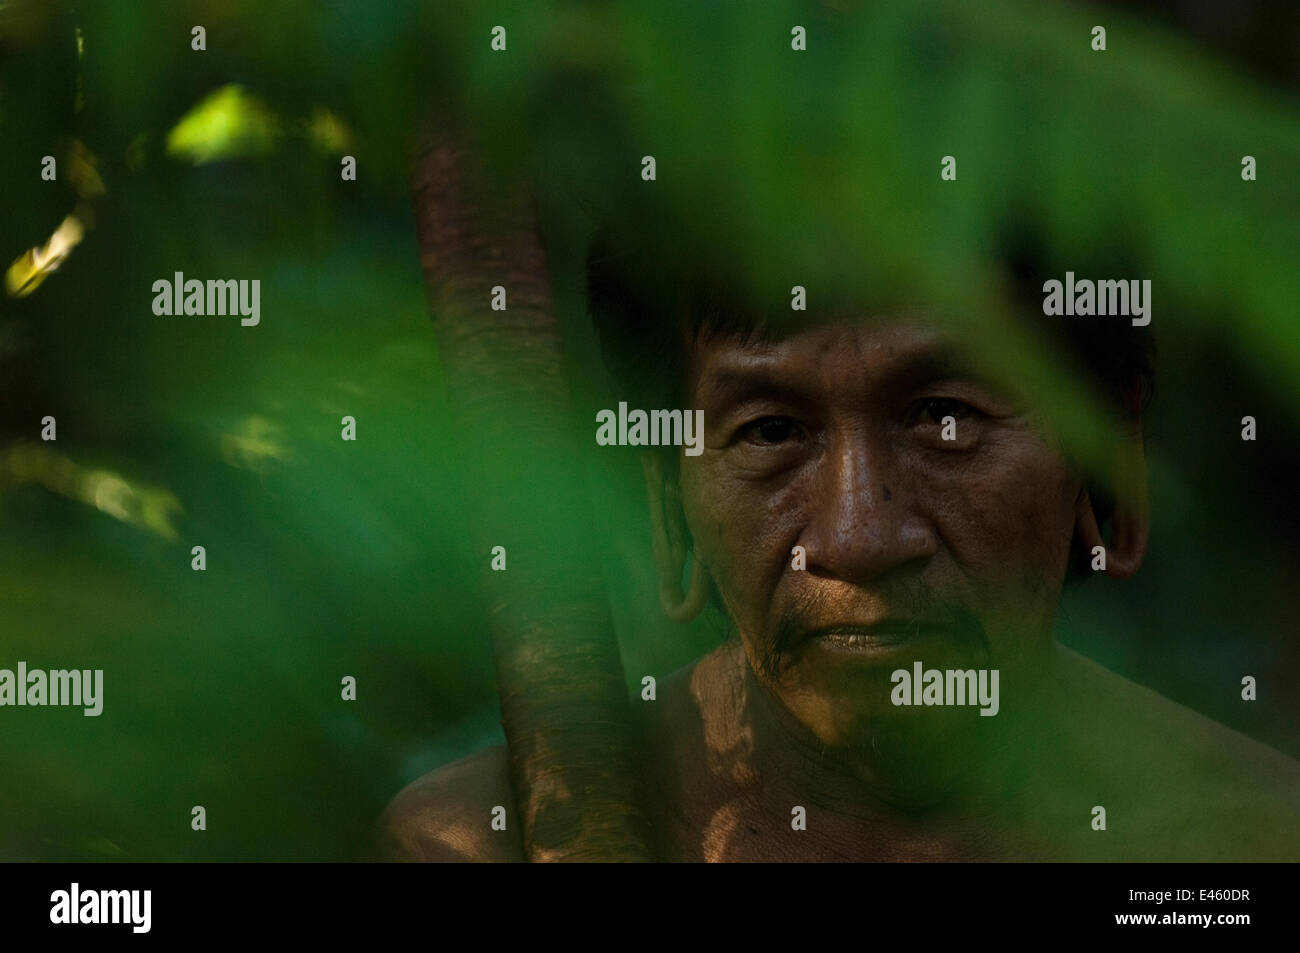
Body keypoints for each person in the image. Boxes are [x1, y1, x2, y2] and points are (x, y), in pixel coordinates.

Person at [378, 244, 1300, 862]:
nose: (856, 539)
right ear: (668, 502)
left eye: (948, 418)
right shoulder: (473, 847)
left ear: (1111, 470)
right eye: (770, 430)